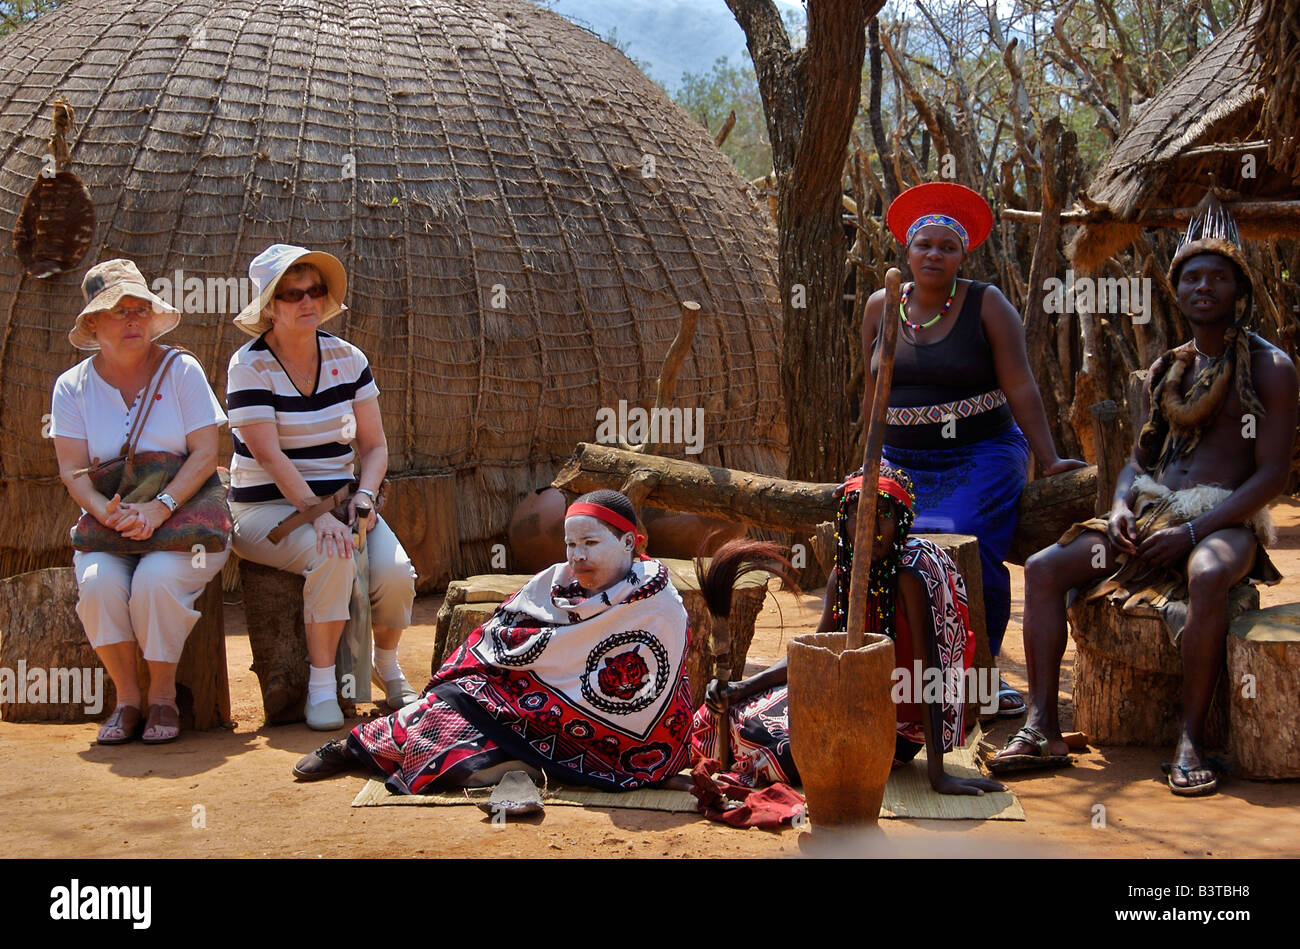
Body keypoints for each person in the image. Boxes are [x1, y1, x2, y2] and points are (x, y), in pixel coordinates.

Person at [989, 197, 1298, 796]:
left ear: (1240, 288)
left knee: (1208, 575)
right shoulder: (1167, 370)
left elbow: (1271, 478)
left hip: (1225, 521)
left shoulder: (1271, 367)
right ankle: (1042, 726)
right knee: (1047, 568)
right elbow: (1136, 460)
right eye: (1191, 276)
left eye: (1217, 276)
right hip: (1151, 515)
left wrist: (1192, 532)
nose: (1203, 286)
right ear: (1176, 290)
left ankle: (1190, 740)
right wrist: (1124, 507)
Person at [292, 490, 697, 792]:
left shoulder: (657, 603)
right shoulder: (555, 584)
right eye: (571, 545)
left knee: (457, 757)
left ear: (629, 542)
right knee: (445, 704)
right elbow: (500, 634)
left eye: (591, 544)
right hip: (520, 706)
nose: (577, 556)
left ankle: (507, 766)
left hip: (608, 739)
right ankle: (356, 746)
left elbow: (654, 688)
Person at [863, 182, 1086, 717]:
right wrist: (867, 464)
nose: (934, 255)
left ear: (963, 254)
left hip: (981, 454)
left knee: (959, 538)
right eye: (924, 245)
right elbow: (871, 389)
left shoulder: (987, 304)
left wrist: (1050, 459)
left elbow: (1022, 386)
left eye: (947, 247)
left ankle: (979, 677)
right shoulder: (881, 306)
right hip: (902, 460)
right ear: (907, 252)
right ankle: (901, 679)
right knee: (877, 543)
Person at [693, 467, 1005, 797]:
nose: (868, 528)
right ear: (844, 521)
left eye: (881, 516)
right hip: (843, 697)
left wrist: (938, 774)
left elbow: (934, 672)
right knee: (725, 715)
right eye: (857, 516)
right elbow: (813, 656)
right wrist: (742, 687)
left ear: (900, 521)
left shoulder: (912, 576)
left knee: (790, 753)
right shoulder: (843, 574)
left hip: (897, 724)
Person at [226, 244, 417, 730]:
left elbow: (375, 447)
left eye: (314, 290)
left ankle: (386, 665)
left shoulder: (348, 358)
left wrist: (366, 497)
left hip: (344, 502)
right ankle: (320, 686)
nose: (306, 301)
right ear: (270, 305)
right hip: (264, 510)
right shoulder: (249, 365)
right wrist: (316, 514)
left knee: (397, 575)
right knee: (330, 554)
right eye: (292, 294)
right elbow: (268, 455)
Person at [51, 259, 230, 744]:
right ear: (92, 323)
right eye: (118, 311)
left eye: (139, 310)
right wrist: (104, 510)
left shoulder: (181, 370)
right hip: (111, 523)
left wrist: (161, 507)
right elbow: (73, 473)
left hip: (186, 520)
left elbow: (206, 453)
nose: (133, 321)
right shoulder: (72, 388)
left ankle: (163, 699)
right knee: (98, 584)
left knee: (154, 582)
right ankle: (127, 699)